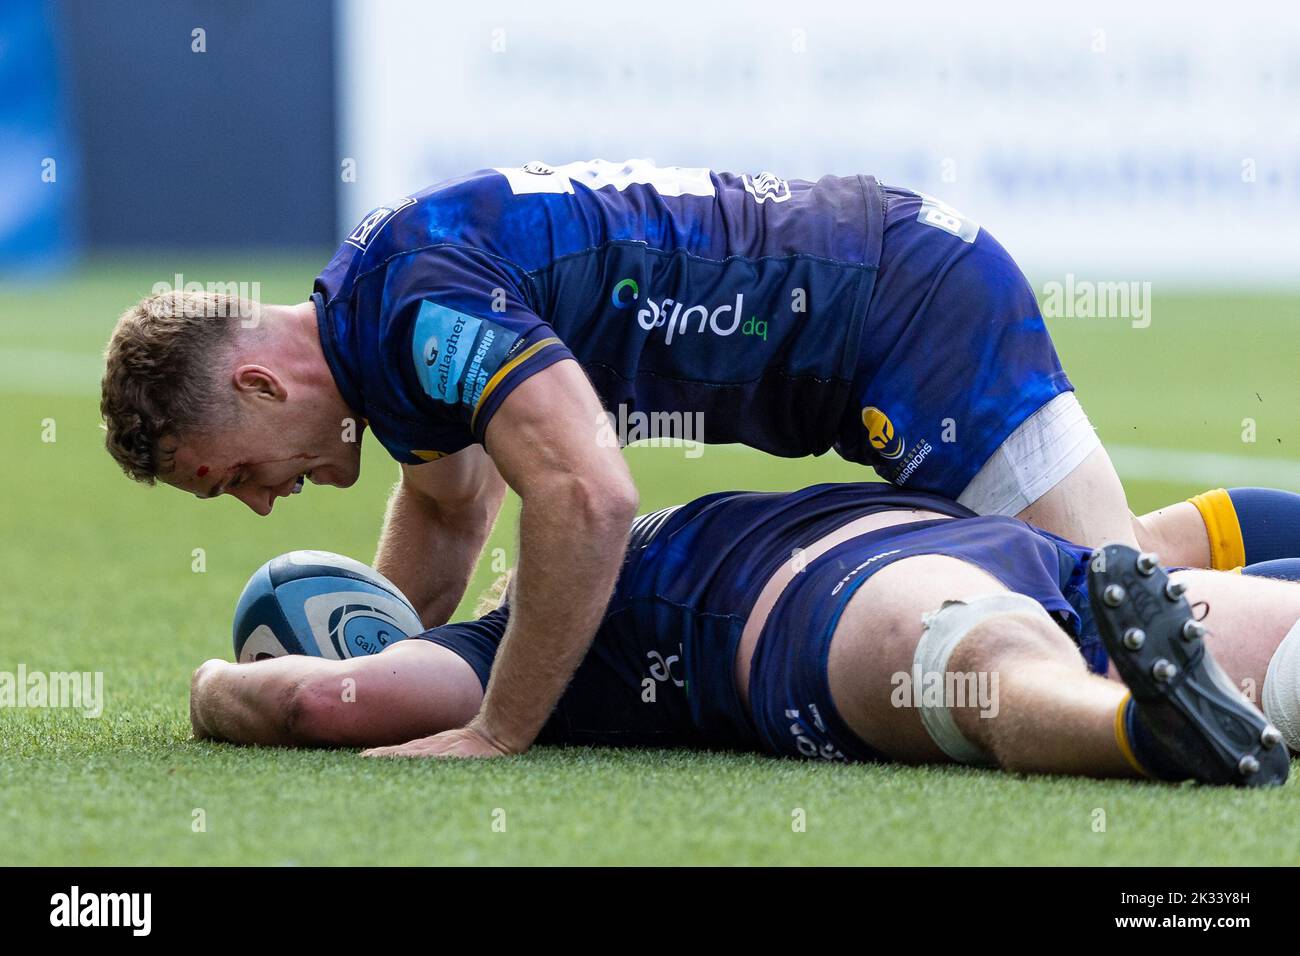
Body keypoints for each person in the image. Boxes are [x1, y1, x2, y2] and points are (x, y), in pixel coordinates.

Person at [104, 158, 1300, 758]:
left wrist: (496, 728)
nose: (262, 503)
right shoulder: (375, 318)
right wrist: (404, 664)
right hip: (879, 299)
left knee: (1101, 596)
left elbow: (586, 495)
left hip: (900, 311)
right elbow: (447, 514)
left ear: (259, 384)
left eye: (230, 472)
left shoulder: (414, 308)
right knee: (1120, 577)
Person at [189, 482, 1300, 786]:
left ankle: (1174, 716)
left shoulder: (603, 547)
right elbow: (310, 702)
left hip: (1023, 557)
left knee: (1280, 658)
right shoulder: (503, 652)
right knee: (977, 662)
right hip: (831, 603)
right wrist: (214, 688)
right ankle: (1148, 734)